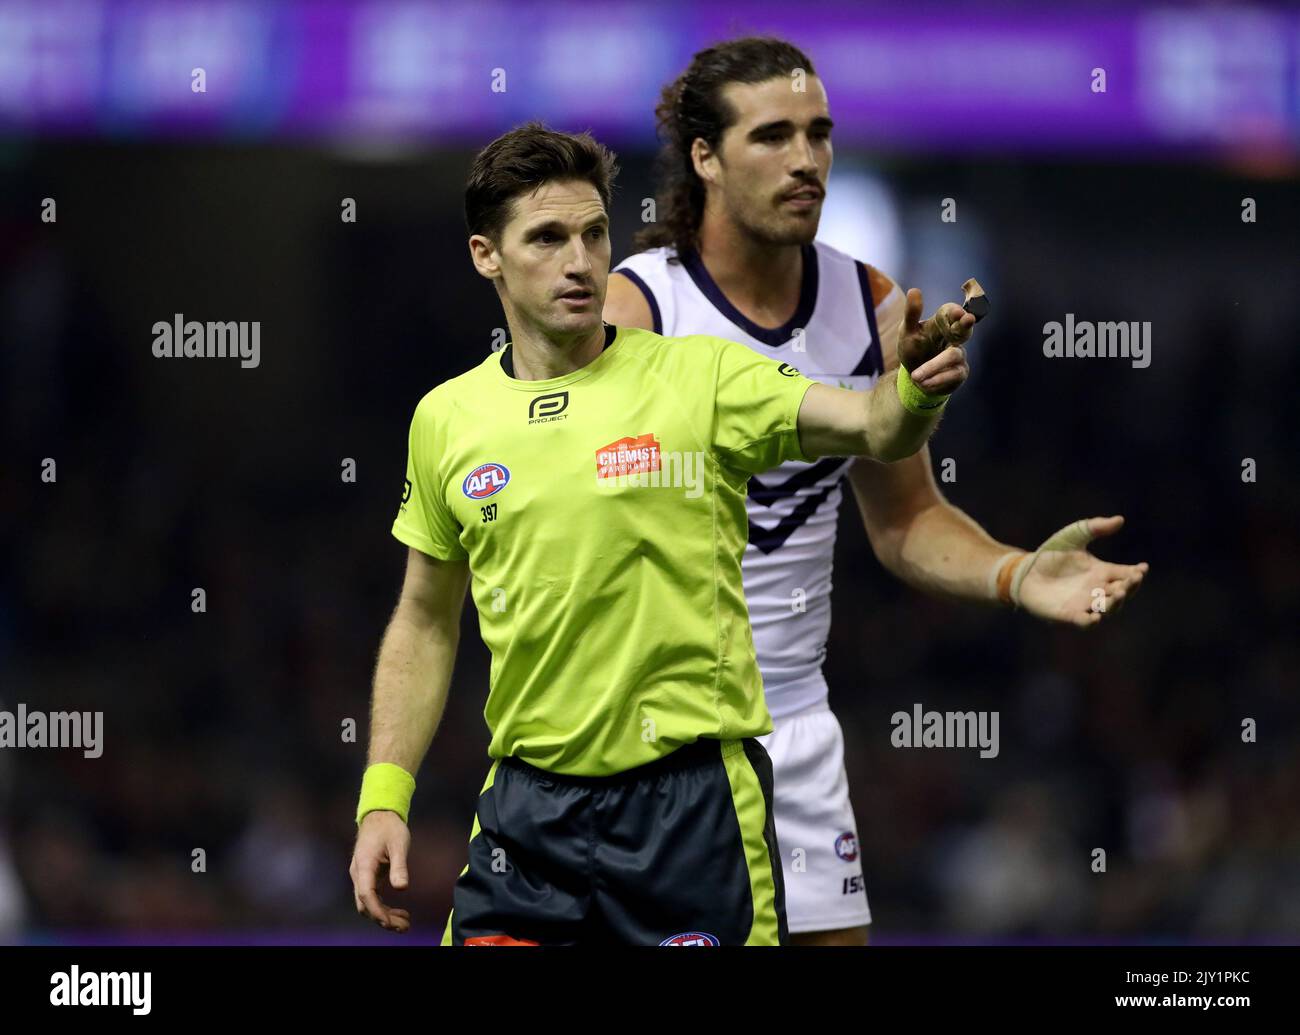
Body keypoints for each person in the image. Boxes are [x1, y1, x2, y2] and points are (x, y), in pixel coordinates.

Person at [348, 121, 976, 945]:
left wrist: (913, 392)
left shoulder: (697, 376)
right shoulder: (446, 419)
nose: (579, 260)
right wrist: (384, 796)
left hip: (692, 814)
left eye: (593, 233)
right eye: (546, 237)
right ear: (485, 255)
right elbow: (426, 618)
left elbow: (870, 424)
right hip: (528, 820)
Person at [605, 36, 1149, 946]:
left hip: (794, 735)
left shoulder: (866, 306)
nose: (806, 158)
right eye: (772, 135)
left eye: (819, 134)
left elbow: (907, 521)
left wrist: (1018, 574)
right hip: (645, 742)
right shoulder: (638, 314)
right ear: (704, 157)